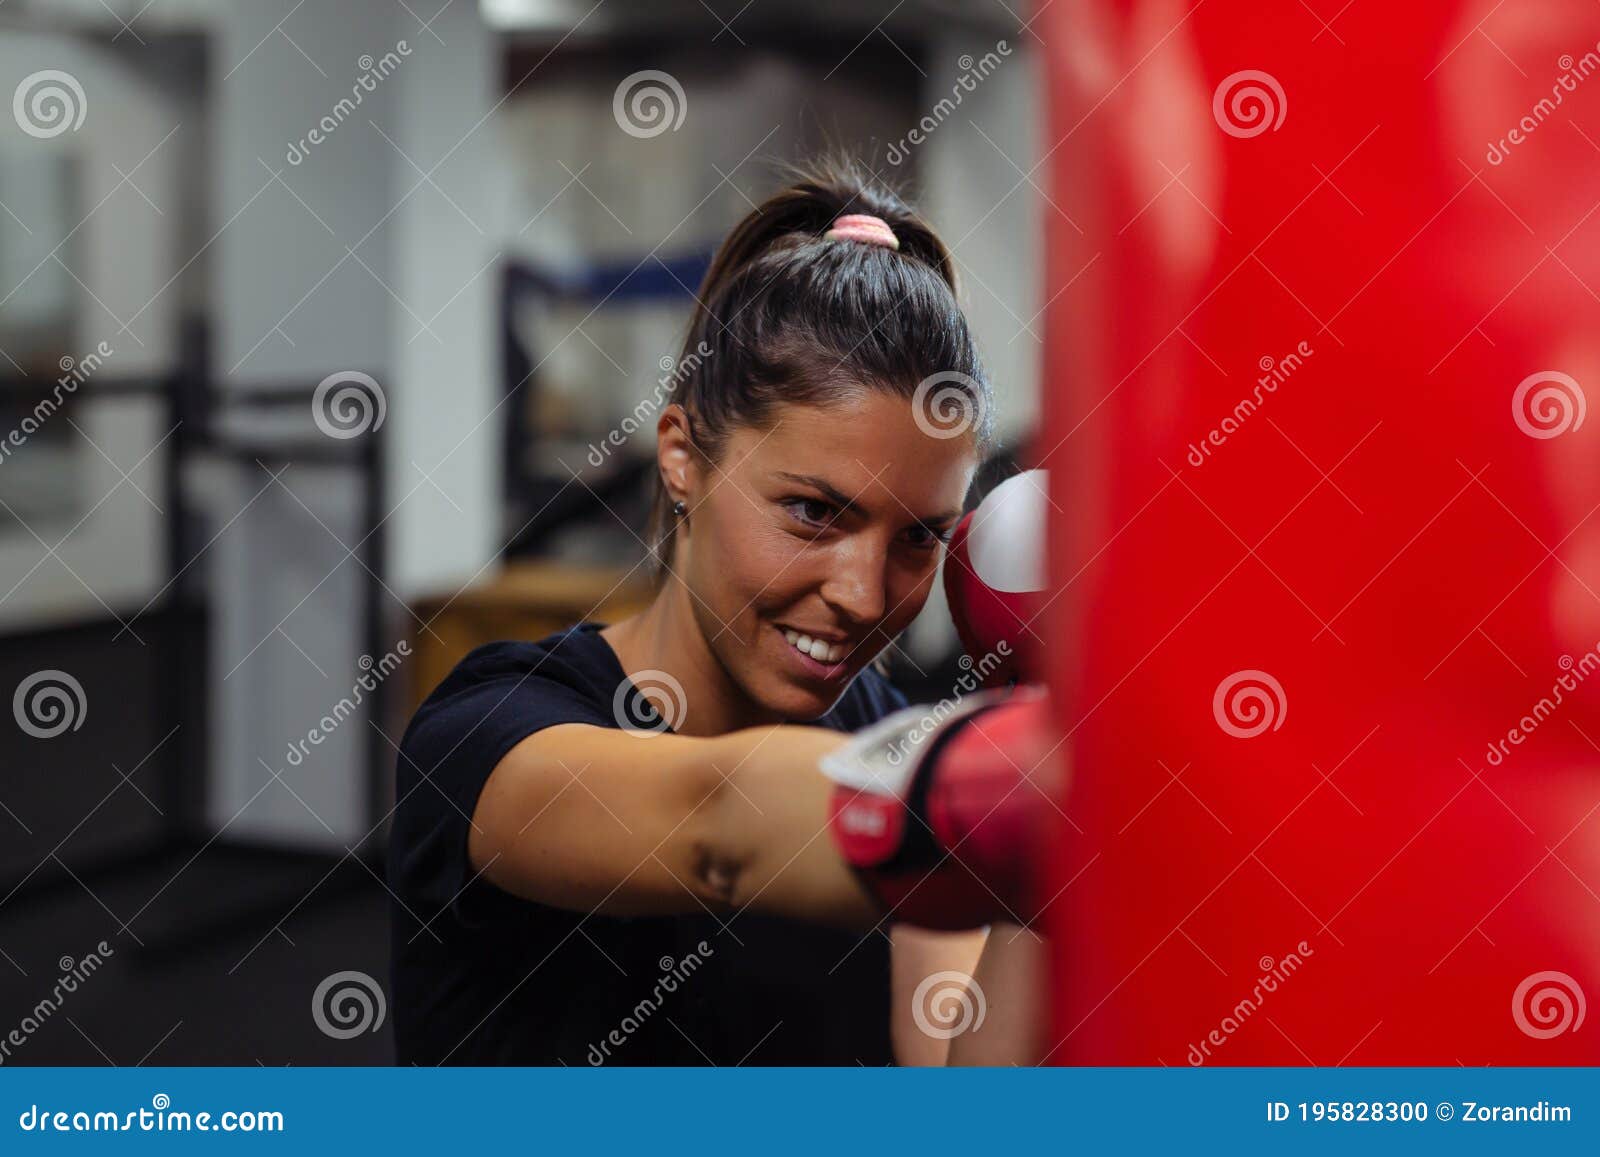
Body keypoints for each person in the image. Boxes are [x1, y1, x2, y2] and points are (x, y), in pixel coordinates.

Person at [387, 159, 1048, 1066]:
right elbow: (719, 825)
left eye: (918, 538)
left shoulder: (904, 743)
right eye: (814, 512)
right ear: (682, 457)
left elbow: (964, 1098)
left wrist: (1064, 745)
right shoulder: (488, 735)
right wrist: (1030, 781)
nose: (863, 594)